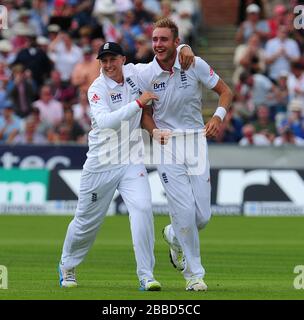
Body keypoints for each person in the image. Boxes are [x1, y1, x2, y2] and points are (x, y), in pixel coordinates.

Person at [58, 41, 194, 290]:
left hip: (132, 159)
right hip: (102, 162)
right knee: (86, 222)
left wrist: (184, 47)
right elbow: (105, 121)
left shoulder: (134, 73)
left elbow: (161, 61)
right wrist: (138, 104)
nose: (108, 65)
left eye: (113, 59)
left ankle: (146, 275)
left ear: (122, 59)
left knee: (142, 210)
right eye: (104, 61)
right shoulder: (97, 88)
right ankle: (67, 265)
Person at [139, 18, 233, 291]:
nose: (157, 44)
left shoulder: (194, 63)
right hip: (167, 145)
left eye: (163, 39)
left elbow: (226, 91)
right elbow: (144, 112)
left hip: (196, 141)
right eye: (155, 39)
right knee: (183, 210)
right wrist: (154, 132)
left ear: (176, 41)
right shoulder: (145, 73)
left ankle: (173, 235)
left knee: (201, 217)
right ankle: (194, 275)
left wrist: (217, 117)